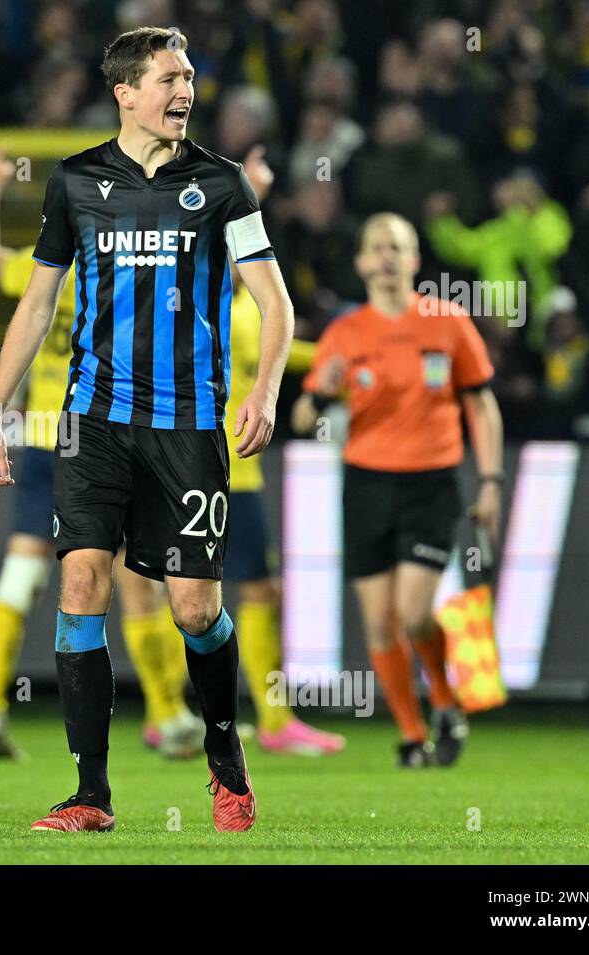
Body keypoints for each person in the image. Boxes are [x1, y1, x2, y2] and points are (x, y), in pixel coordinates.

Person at [0, 27, 295, 833]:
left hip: (187, 424)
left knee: (193, 610)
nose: (184, 91)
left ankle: (226, 760)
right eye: (168, 78)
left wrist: (264, 388)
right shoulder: (77, 182)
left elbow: (275, 301)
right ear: (125, 91)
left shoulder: (221, 185)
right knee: (81, 585)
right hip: (91, 423)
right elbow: (38, 301)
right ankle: (91, 793)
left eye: (188, 78)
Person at [0, 148, 201, 761]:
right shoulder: (115, 266)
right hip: (99, 435)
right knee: (136, 585)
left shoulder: (42, 269)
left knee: (25, 578)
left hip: (49, 437)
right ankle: (168, 714)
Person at [292, 212, 503, 768]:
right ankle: (412, 736)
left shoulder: (448, 321)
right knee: (379, 621)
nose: (386, 256)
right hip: (367, 482)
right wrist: (321, 397)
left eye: (398, 247)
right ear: (361, 261)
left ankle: (444, 696)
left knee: (413, 613)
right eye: (376, 246)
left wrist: (490, 480)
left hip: (433, 481)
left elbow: (481, 404)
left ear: (414, 261)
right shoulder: (345, 332)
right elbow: (299, 414)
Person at [225, 145, 345, 757]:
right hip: (197, 456)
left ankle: (269, 720)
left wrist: (331, 359)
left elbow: (278, 346)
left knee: (252, 588)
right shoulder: (210, 292)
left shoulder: (249, 303)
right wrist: (254, 195)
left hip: (238, 464)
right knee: (182, 591)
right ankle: (178, 715)